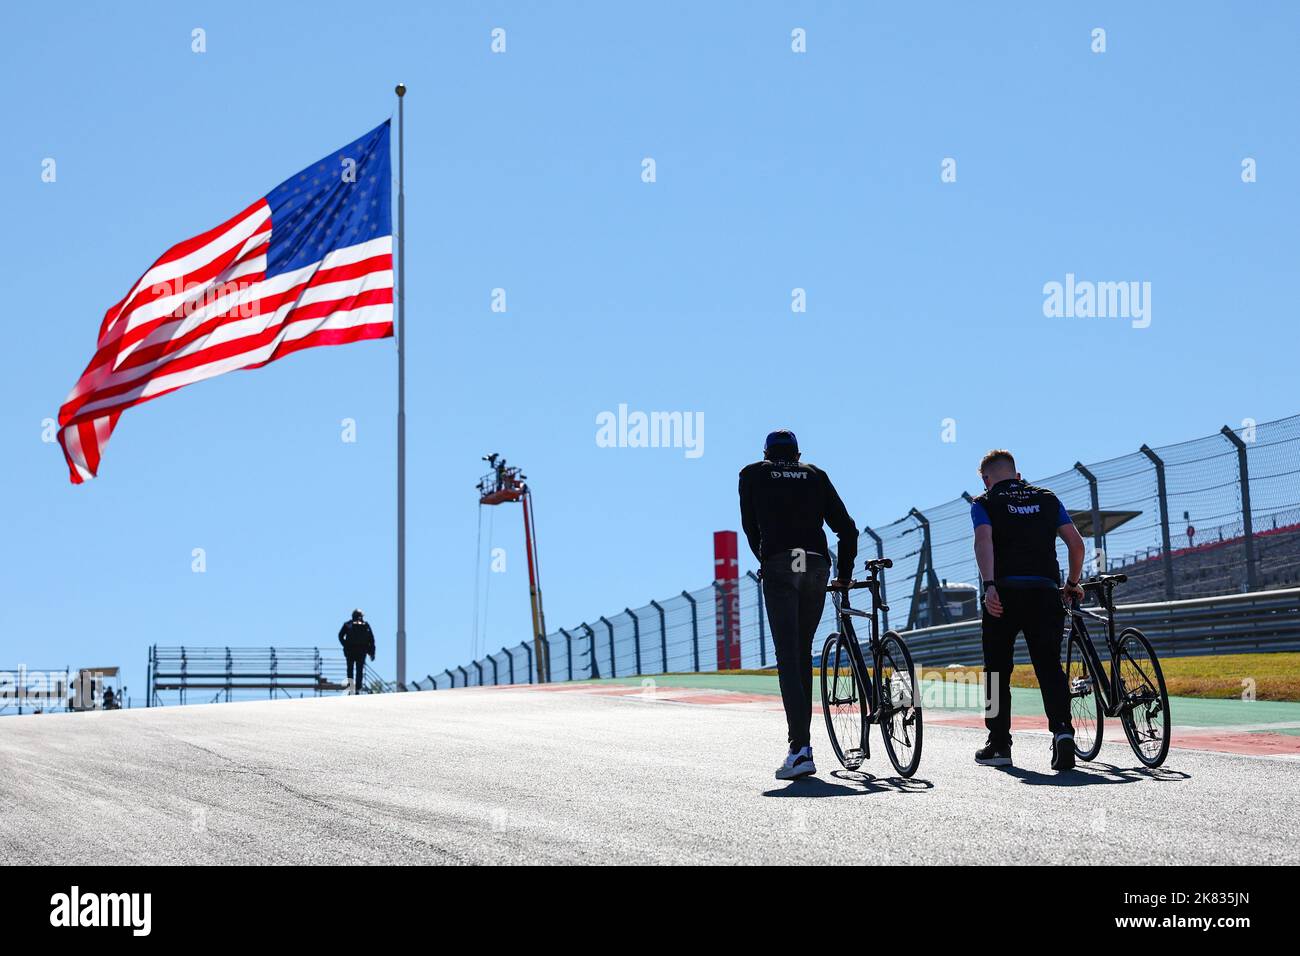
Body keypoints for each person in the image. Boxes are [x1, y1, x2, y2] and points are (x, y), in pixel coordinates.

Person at [739, 429, 857, 780]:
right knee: (801, 651)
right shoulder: (816, 474)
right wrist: (846, 574)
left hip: (783, 561)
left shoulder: (752, 473)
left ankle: (800, 748)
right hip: (817, 563)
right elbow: (847, 529)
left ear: (765, 453)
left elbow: (750, 526)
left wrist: (766, 557)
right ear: (798, 453)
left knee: (789, 656)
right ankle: (801, 746)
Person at [970, 450, 1085, 770]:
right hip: (1045, 592)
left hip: (1004, 594)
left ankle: (999, 745)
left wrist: (990, 585)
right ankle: (1063, 733)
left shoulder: (984, 502)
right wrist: (1072, 583)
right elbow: (1076, 544)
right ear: (1018, 475)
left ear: (986, 479)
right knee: (1049, 666)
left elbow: (983, 541)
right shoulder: (1047, 498)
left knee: (996, 672)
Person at [338, 609, 376, 695]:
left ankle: (351, 688)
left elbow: (340, 636)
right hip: (361, 651)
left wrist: (346, 645)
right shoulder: (366, 625)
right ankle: (358, 689)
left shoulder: (348, 624)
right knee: (359, 670)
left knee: (350, 669)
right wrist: (371, 652)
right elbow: (371, 640)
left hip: (350, 651)